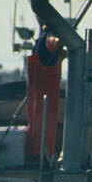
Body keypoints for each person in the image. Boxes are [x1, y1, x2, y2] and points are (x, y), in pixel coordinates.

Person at [25, 33, 64, 161]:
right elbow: (54, 42)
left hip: (39, 96)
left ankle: (39, 155)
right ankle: (41, 156)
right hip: (45, 98)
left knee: (38, 126)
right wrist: (65, 40)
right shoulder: (49, 38)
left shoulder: (38, 44)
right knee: (44, 127)